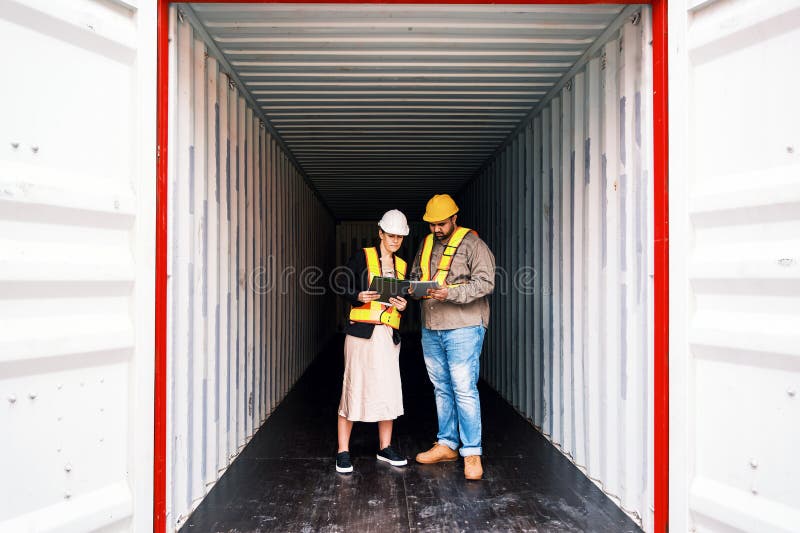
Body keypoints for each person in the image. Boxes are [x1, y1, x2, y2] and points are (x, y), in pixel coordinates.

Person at [409, 194, 495, 480]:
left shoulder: (473, 244)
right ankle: (446, 444)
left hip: (464, 326)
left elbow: (486, 282)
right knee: (441, 387)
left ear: (455, 218)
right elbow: (416, 275)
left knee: (463, 388)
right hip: (432, 326)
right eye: (432, 224)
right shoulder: (426, 244)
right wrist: (412, 288)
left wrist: (452, 293)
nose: (436, 229)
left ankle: (472, 452)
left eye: (441, 223)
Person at [334, 209, 411, 474]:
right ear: (380, 233)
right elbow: (339, 284)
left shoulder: (402, 266)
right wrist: (359, 295)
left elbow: (401, 301)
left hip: (387, 337)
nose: (395, 241)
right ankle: (343, 451)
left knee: (388, 390)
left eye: (399, 237)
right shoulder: (362, 257)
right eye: (391, 236)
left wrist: (402, 306)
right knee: (354, 387)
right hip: (361, 335)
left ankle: (385, 447)